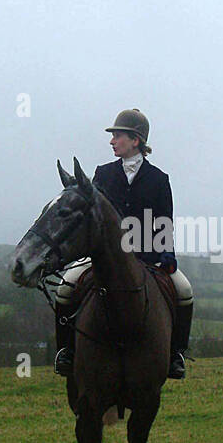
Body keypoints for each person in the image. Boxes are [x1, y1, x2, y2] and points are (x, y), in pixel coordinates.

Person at [53, 109, 195, 379]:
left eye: (118, 135)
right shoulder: (103, 174)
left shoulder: (158, 179)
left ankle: (175, 353)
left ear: (136, 140)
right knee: (65, 287)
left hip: (147, 256)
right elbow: (92, 215)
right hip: (106, 256)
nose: (112, 141)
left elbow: (164, 220)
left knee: (184, 291)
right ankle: (66, 350)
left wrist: (166, 252)